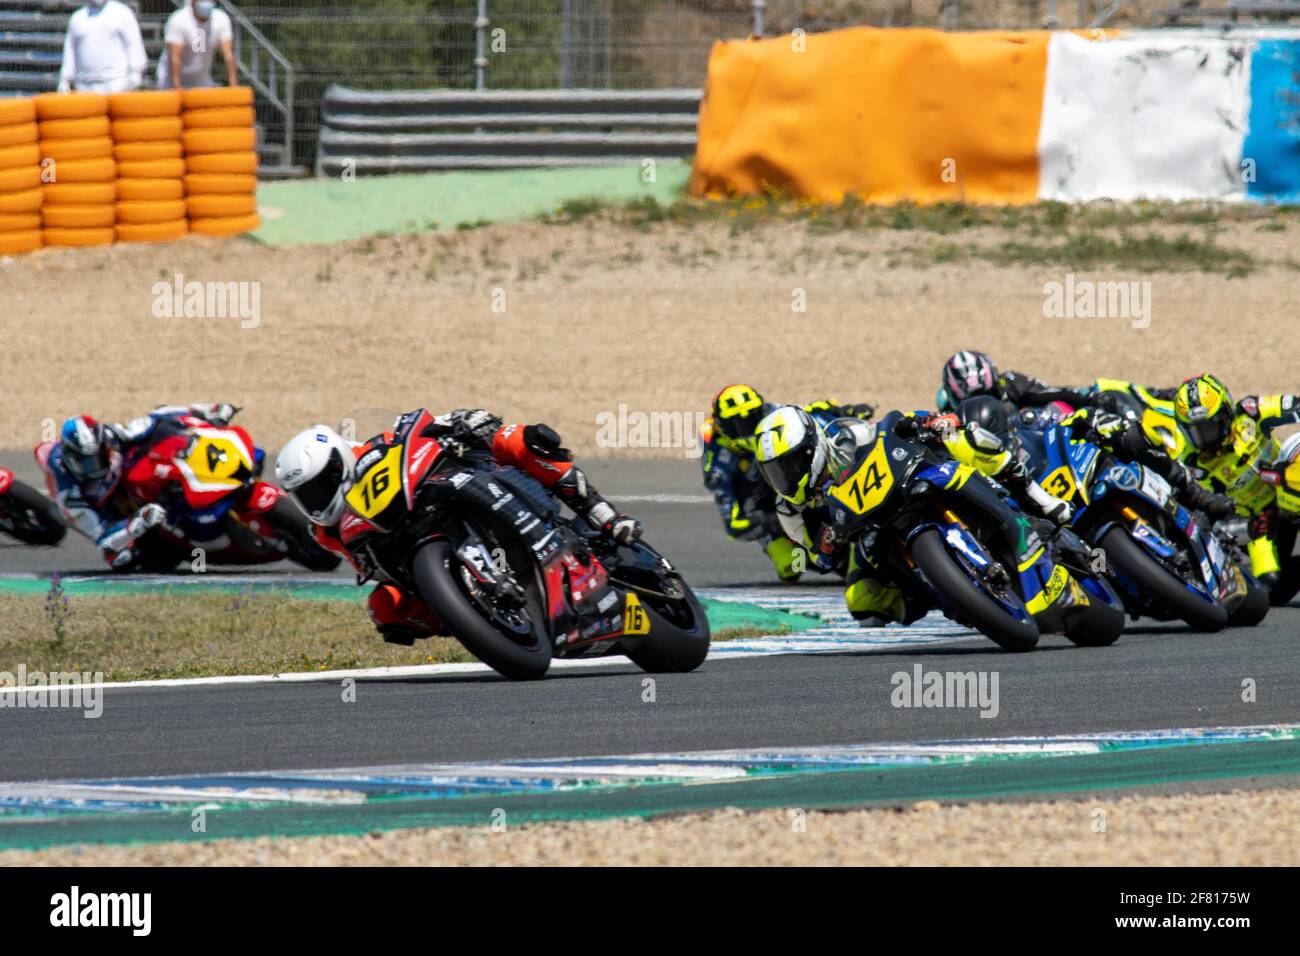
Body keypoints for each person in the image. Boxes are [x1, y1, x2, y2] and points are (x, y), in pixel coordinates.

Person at [275, 409, 642, 645]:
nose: (315, 501)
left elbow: (417, 430)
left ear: (339, 464)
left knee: (516, 438)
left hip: (456, 486)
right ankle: (487, 616)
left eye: (319, 486)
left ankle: (602, 513)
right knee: (385, 608)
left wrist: (459, 423)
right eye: (303, 495)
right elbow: (381, 575)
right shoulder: (327, 532)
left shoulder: (375, 449)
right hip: (425, 556)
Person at [701, 383, 874, 582]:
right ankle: (821, 555)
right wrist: (767, 521)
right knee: (791, 567)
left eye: (754, 416)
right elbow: (733, 526)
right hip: (767, 515)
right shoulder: (718, 463)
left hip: (795, 484)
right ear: (725, 428)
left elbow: (811, 411)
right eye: (741, 425)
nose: (752, 426)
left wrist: (844, 411)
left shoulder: (771, 414)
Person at [45, 403, 239, 567]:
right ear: (70, 459)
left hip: (133, 483)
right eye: (86, 462)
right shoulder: (70, 495)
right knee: (121, 558)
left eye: (97, 457)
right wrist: (137, 523)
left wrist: (208, 412)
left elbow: (157, 417)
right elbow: (102, 536)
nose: (94, 467)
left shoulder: (112, 435)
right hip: (113, 513)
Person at [1171, 374, 1300, 588]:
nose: (1206, 438)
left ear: (1226, 411)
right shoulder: (1192, 464)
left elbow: (1293, 405)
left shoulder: (1250, 411)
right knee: (1271, 586)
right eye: (1196, 431)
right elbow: (1206, 518)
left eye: (1210, 427)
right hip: (1261, 522)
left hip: (1287, 486)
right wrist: (1247, 528)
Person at [57, 0, 147, 94]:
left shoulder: (123, 13)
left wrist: (136, 73)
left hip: (116, 84)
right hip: (84, 86)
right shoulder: (77, 18)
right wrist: (65, 78)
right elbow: (70, 51)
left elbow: (134, 46)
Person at [157, 0, 237, 90]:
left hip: (202, 81)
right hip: (171, 83)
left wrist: (233, 86)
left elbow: (228, 55)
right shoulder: (178, 20)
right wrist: (177, 87)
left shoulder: (221, 20)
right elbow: (175, 57)